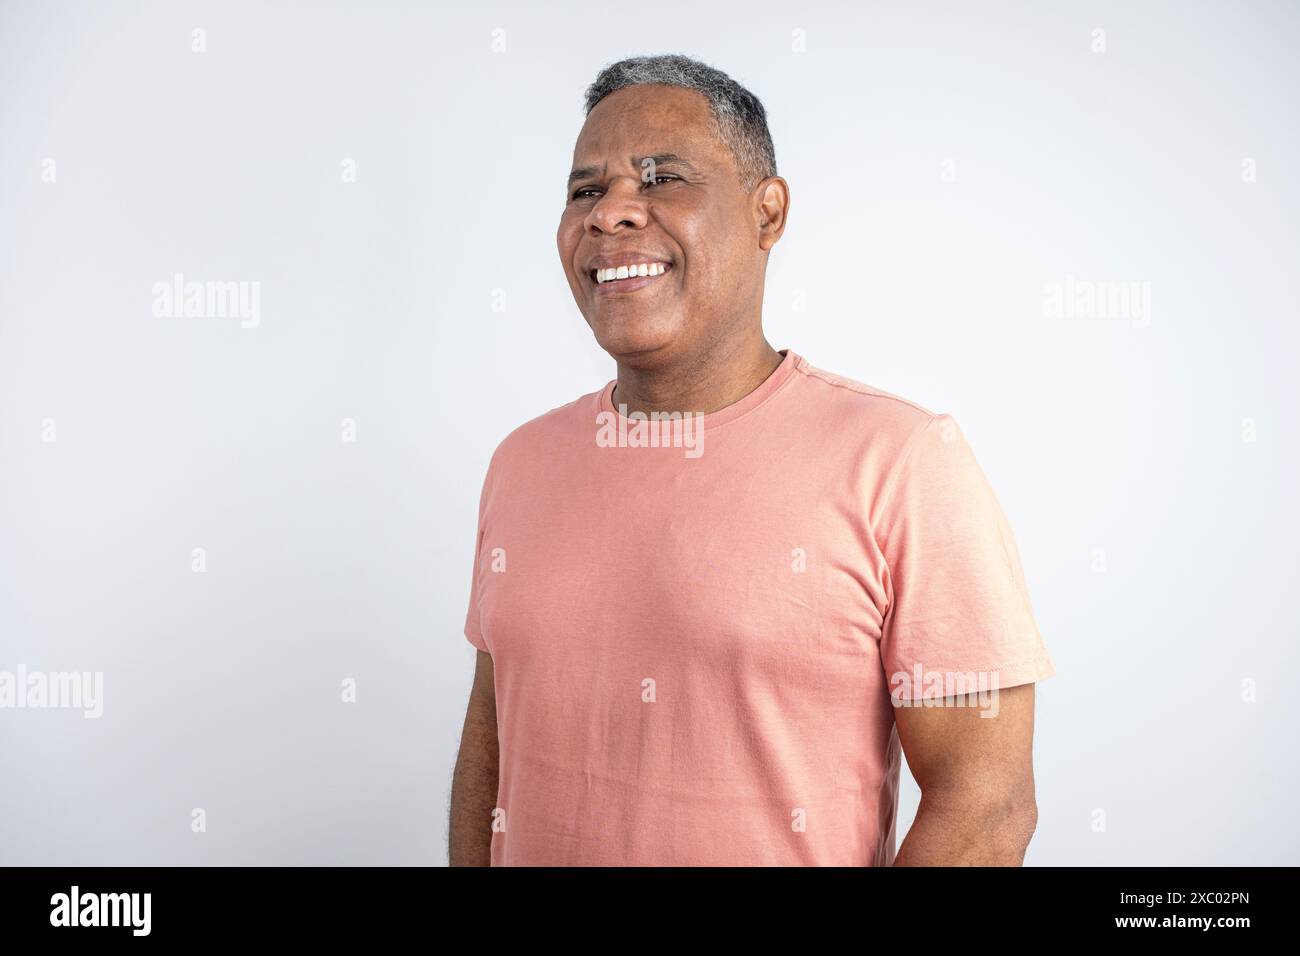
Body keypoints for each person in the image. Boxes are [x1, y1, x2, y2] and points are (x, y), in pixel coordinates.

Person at [449, 53, 1055, 866]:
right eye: (585, 190)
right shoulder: (519, 463)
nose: (611, 214)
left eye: (660, 179)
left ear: (767, 213)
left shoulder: (905, 462)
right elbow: (492, 743)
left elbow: (986, 804)